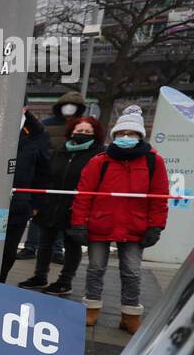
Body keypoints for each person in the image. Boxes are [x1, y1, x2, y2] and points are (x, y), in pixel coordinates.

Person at [70, 105, 168, 334]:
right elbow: (84, 194)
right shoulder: (99, 161)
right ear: (114, 136)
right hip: (100, 222)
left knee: (132, 271)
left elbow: (159, 198)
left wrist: (156, 226)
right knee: (95, 268)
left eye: (131, 134)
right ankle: (91, 307)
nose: (125, 138)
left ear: (140, 136)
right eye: (121, 134)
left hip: (135, 225)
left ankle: (130, 314)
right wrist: (78, 222)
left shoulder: (154, 162)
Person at [18, 115, 104, 296]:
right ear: (72, 131)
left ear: (95, 134)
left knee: (72, 244)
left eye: (88, 131)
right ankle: (39, 276)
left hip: (76, 207)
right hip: (52, 204)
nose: (82, 134)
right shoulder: (60, 151)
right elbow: (48, 174)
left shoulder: (97, 155)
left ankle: (65, 281)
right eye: (79, 130)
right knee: (45, 242)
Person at [0, 109, 52, 282]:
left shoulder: (36, 134)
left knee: (7, 252)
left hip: (18, 206)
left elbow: (43, 171)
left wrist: (35, 204)